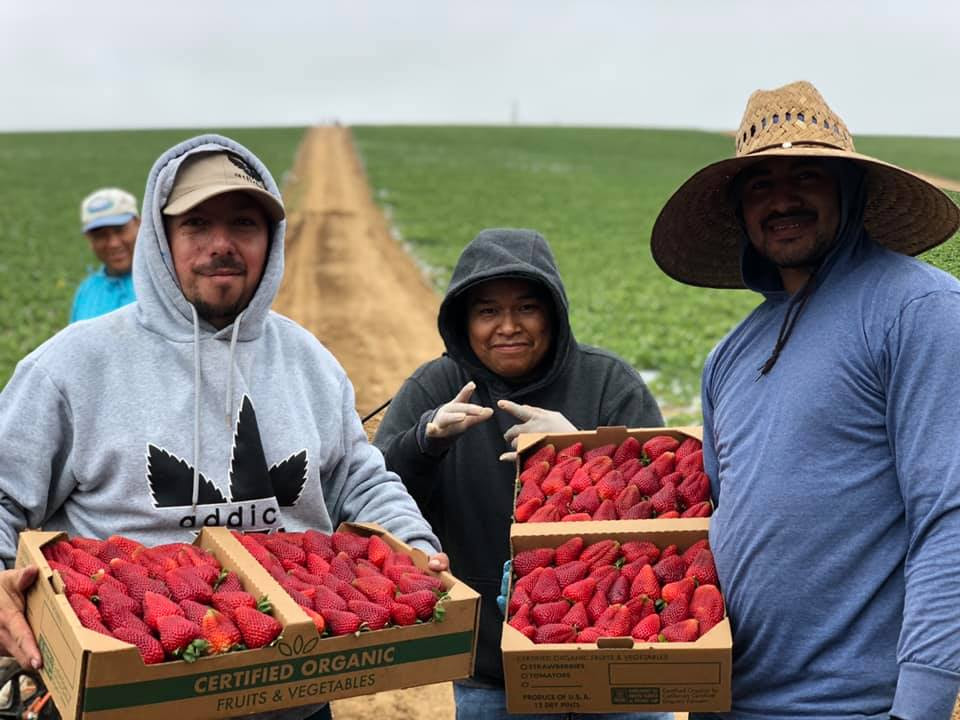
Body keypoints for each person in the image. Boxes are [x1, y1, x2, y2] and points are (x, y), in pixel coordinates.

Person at [0, 135, 449, 720]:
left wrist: (412, 548)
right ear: (162, 240)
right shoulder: (72, 367)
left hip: (292, 694)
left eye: (244, 223)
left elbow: (357, 480)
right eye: (196, 225)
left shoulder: (306, 360)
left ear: (271, 240)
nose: (222, 245)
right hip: (127, 695)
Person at [650, 81, 960, 720]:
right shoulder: (729, 356)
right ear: (739, 210)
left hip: (856, 708)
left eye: (807, 175)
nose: (782, 199)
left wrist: (920, 708)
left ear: (851, 191)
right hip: (727, 702)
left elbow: (950, 516)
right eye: (760, 184)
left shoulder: (917, 311)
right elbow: (711, 513)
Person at [374, 228, 667, 720]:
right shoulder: (436, 387)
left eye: (526, 308)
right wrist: (424, 442)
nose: (507, 326)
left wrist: (586, 449)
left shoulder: (609, 384)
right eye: (487, 311)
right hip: (494, 668)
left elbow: (664, 512)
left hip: (618, 658)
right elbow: (377, 501)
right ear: (463, 322)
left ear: (554, 314)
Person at [70, 187, 140, 322]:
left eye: (120, 230)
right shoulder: (86, 292)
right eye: (100, 235)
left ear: (139, 224)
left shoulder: (167, 280)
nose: (113, 243)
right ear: (89, 239)